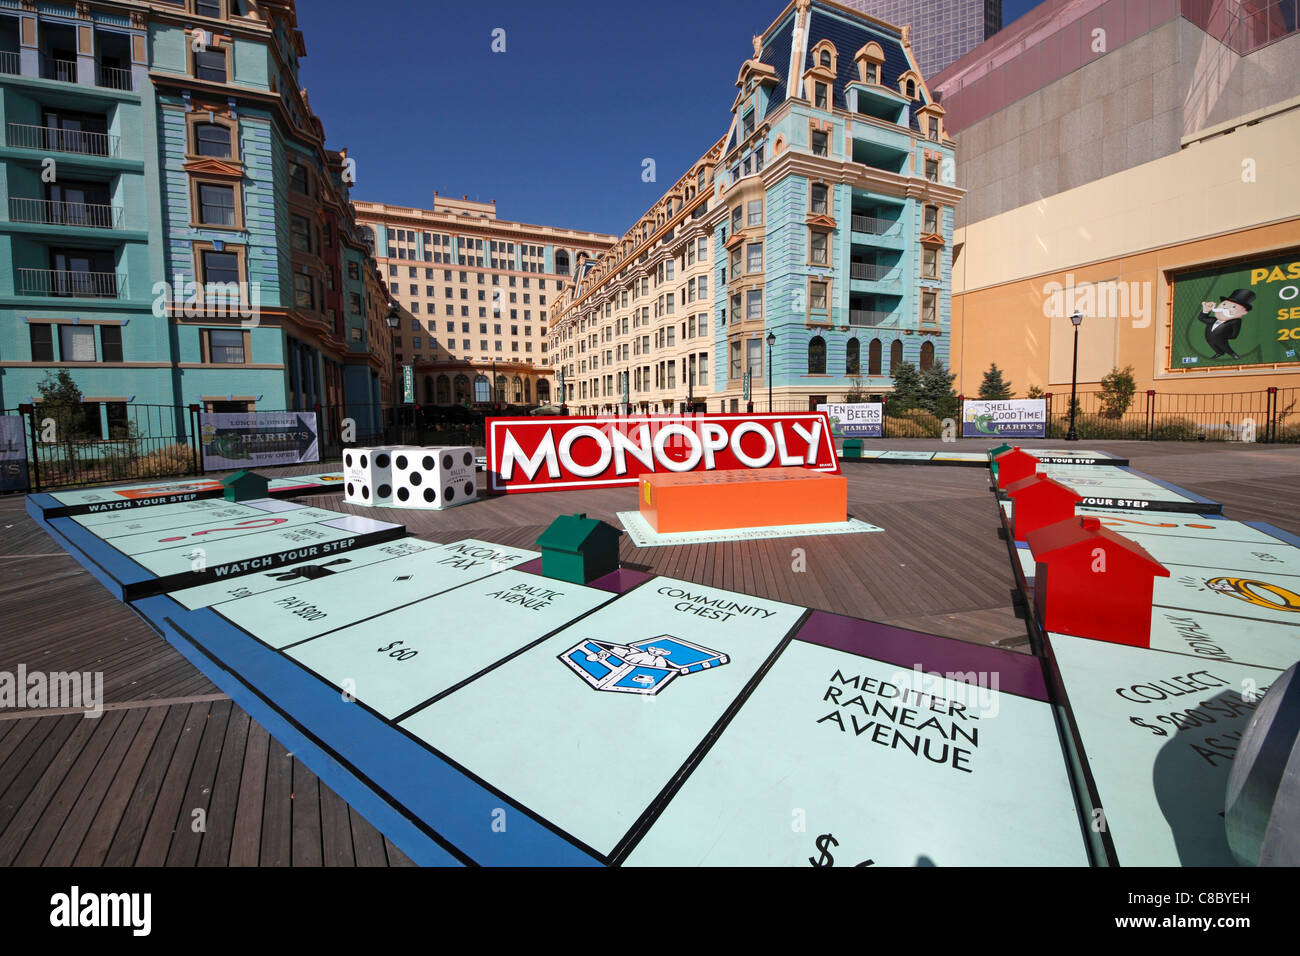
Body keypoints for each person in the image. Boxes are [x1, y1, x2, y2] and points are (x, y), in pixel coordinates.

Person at [1198, 289, 1255, 359]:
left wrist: (1223, 336)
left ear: (1244, 312)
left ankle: (1233, 354)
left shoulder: (1234, 322)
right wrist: (1206, 310)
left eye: (1234, 306)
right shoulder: (1213, 320)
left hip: (1221, 340)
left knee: (1225, 347)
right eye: (1224, 304)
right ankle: (1219, 353)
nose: (1225, 308)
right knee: (1213, 346)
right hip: (1209, 339)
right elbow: (1201, 318)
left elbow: (1234, 335)